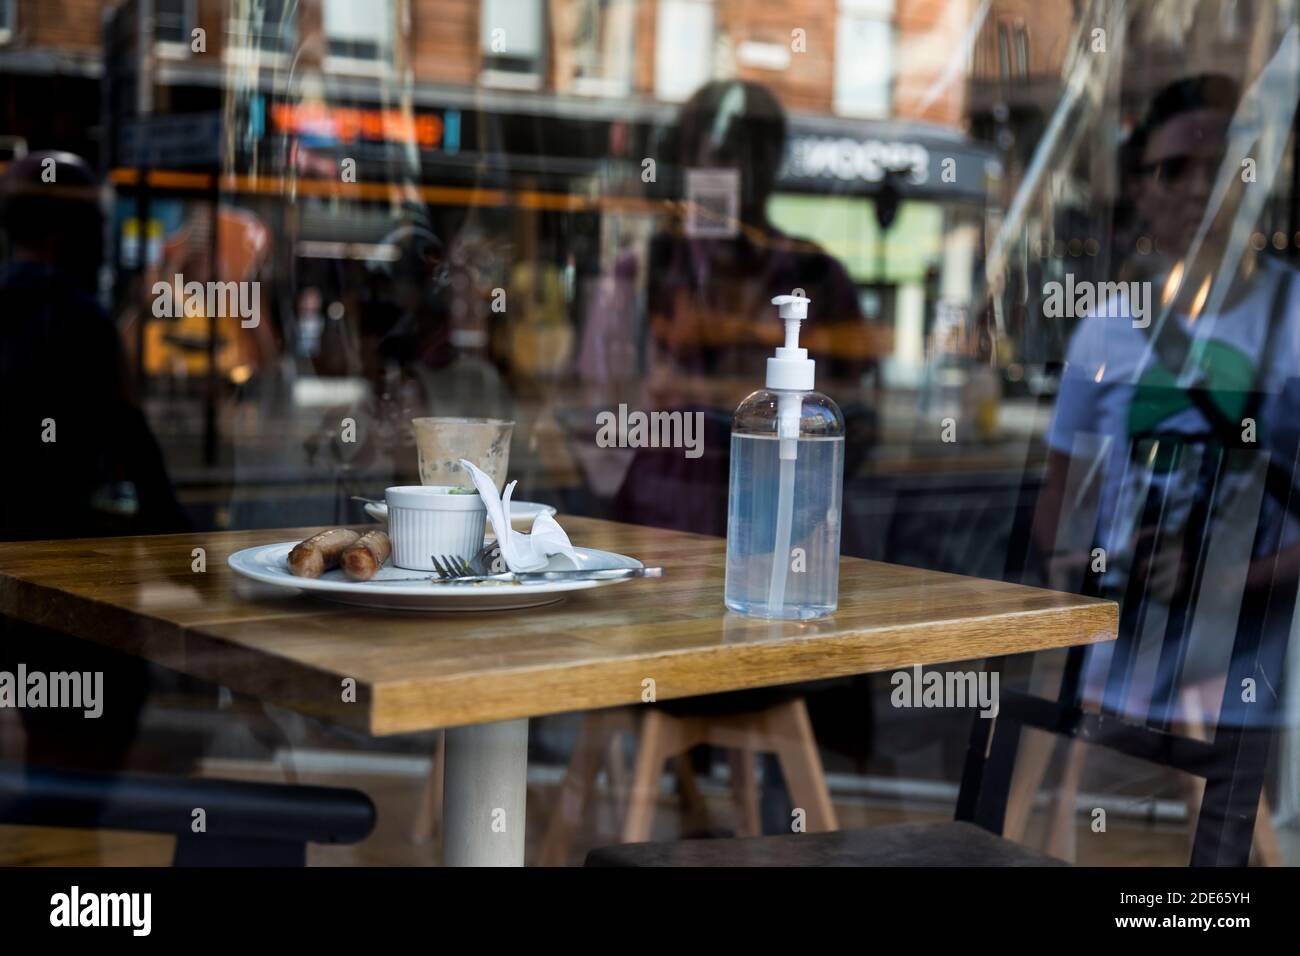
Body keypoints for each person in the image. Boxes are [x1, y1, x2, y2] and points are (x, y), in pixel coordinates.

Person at [1034, 73, 1300, 763]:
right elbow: (1060, 506)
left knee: (1226, 846)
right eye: (1173, 169)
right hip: (1119, 671)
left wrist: (1229, 581)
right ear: (1140, 188)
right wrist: (1088, 576)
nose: (1195, 189)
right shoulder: (1106, 329)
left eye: (1218, 168)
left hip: (1254, 671)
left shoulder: (1295, 322)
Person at [0, 151, 189, 773]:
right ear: (67, 235)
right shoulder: (85, 322)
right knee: (84, 746)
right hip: (70, 576)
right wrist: (196, 560)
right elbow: (136, 448)